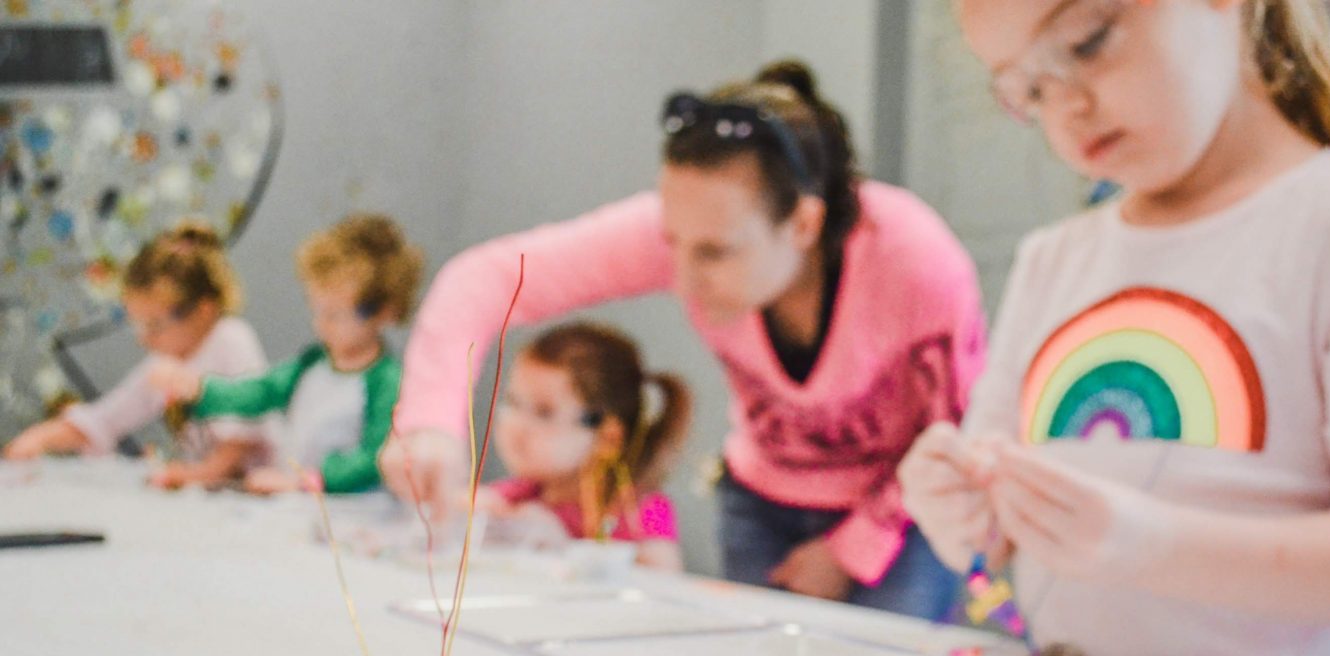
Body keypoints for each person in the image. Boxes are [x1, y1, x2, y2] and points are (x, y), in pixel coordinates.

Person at [900, 0, 1330, 656]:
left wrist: (1149, 547)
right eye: (1029, 89)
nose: (1066, 107)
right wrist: (956, 504)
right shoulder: (1053, 259)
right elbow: (990, 524)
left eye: (1087, 43)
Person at [384, 60, 987, 619]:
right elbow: (486, 279)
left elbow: (953, 431)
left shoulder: (915, 262)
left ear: (803, 223)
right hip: (763, 497)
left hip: (901, 512)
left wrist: (851, 552)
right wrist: (429, 423)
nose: (684, 278)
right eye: (670, 242)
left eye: (714, 253)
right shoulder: (698, 226)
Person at [150, 214, 420, 494]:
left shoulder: (386, 381)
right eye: (317, 310)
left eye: (335, 315)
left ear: (384, 312)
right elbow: (262, 391)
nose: (321, 324)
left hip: (353, 511)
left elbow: (375, 457)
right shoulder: (314, 363)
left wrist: (312, 481)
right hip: (302, 504)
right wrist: (201, 390)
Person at [3, 222, 271, 487]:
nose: (144, 338)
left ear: (204, 310)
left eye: (154, 325)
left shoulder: (231, 338)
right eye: (138, 325)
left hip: (263, 491)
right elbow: (108, 417)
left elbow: (245, 435)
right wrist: (39, 438)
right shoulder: (167, 360)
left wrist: (197, 474)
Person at [476, 321, 691, 571]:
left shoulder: (649, 508)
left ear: (607, 437)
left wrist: (563, 548)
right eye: (512, 402)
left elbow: (666, 578)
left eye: (544, 412)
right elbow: (459, 508)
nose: (516, 425)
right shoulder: (521, 494)